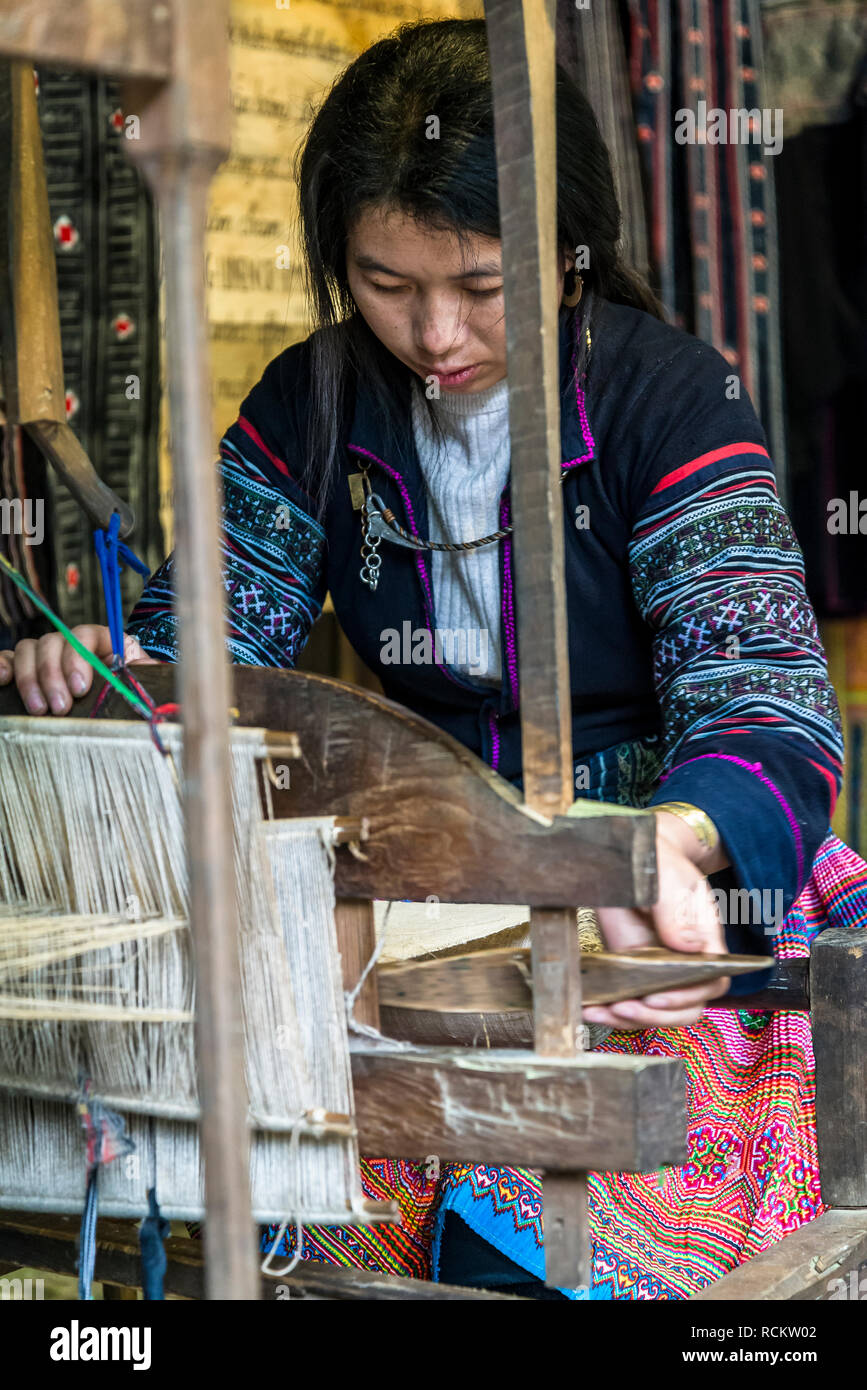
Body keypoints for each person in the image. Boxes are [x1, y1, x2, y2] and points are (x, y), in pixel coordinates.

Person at [2, 18, 865, 1299]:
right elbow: (216, 649)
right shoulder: (315, 403)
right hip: (427, 884)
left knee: (550, 1215)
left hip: (671, 906)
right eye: (387, 282)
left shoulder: (668, 400)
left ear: (565, 253)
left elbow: (769, 707)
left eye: (480, 283)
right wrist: (121, 681)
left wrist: (670, 845)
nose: (435, 331)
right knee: (317, 1201)